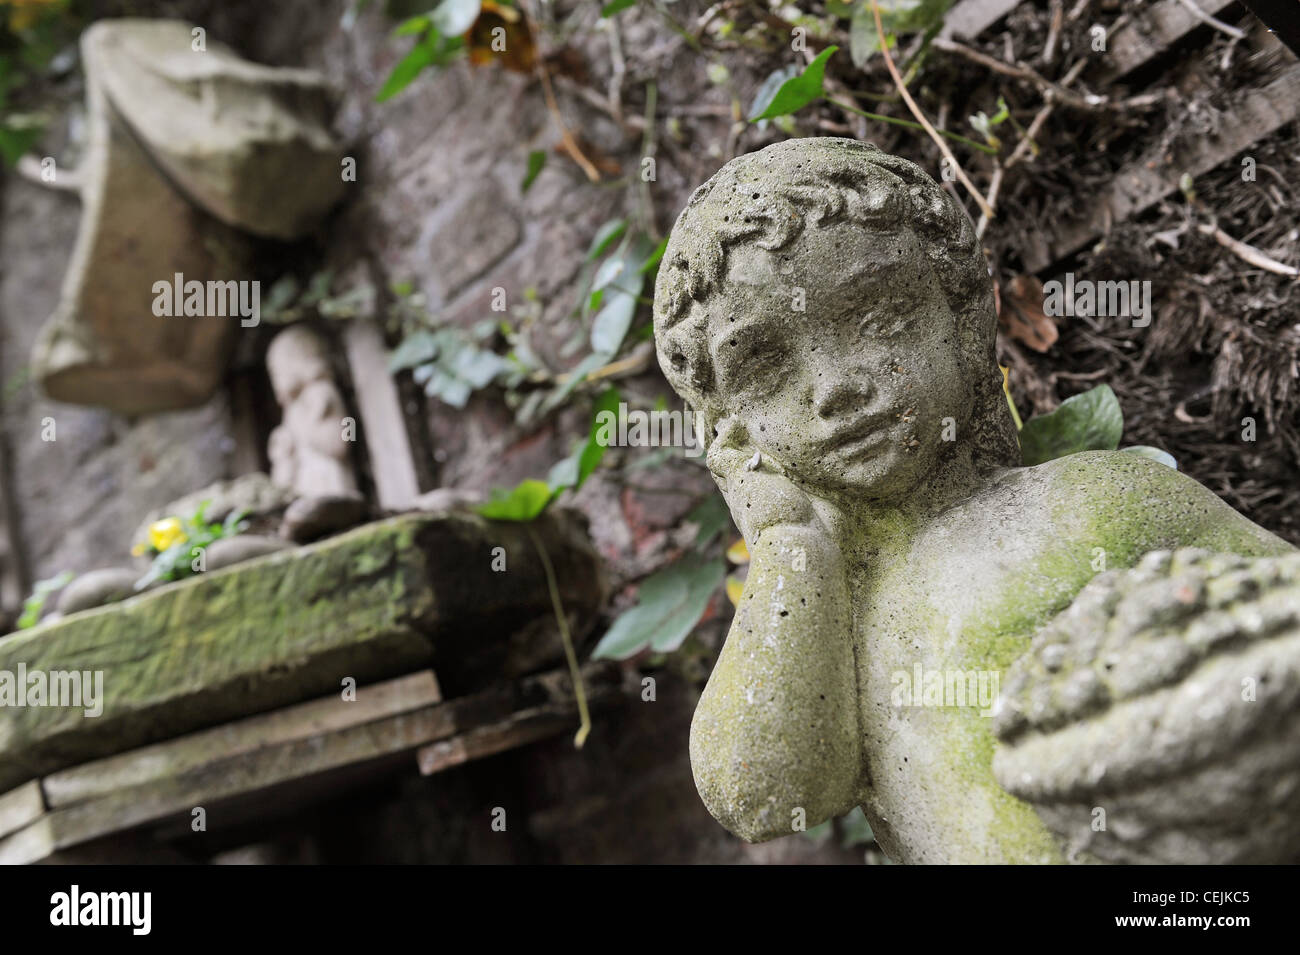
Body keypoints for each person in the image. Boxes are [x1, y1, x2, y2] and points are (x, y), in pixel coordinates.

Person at [653, 138, 1293, 862]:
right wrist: (787, 540)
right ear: (732, 427)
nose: (835, 387)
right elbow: (759, 793)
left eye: (875, 316)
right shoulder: (825, 625)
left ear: (964, 316)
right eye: (765, 365)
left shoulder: (1106, 504)